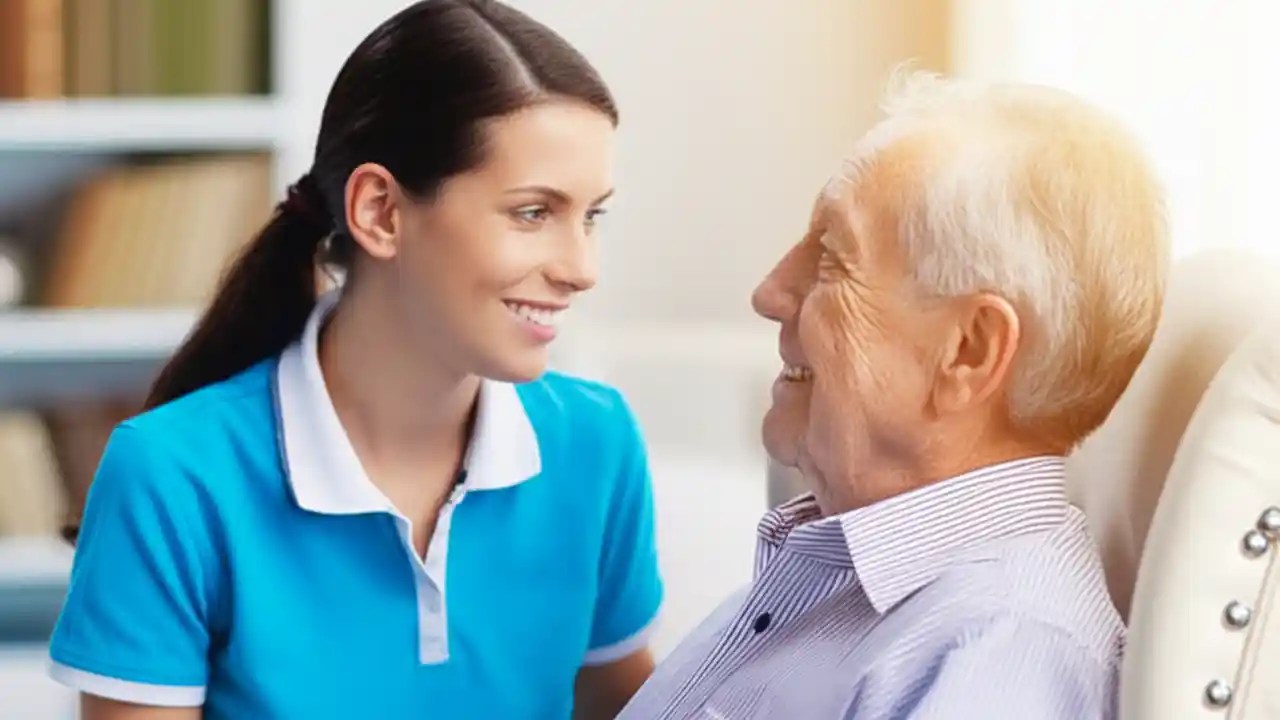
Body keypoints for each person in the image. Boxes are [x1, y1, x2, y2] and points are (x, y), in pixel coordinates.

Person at [47, 2, 662, 718]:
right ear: (380, 211)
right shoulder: (173, 476)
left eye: (592, 216)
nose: (582, 268)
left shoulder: (596, 442)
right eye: (532, 212)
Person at [619, 71, 1169, 719]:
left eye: (830, 257)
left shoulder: (997, 658)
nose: (769, 293)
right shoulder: (835, 585)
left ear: (968, 351)